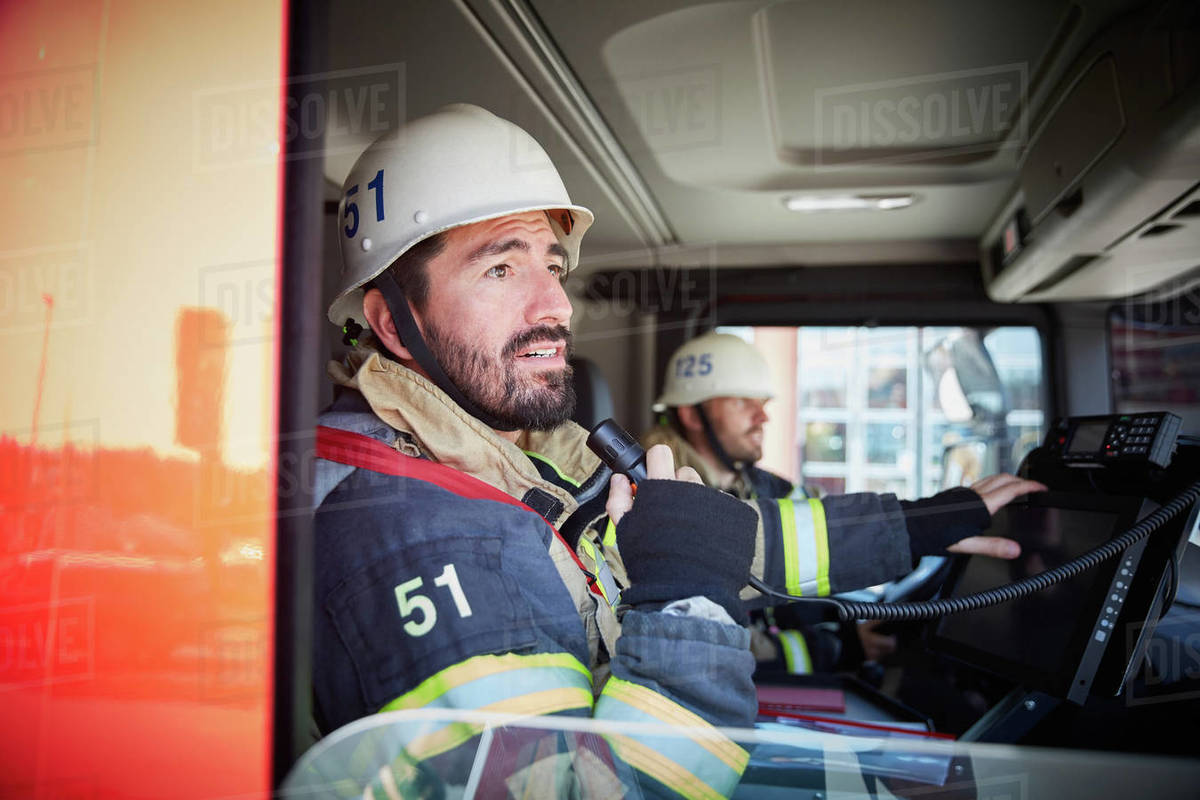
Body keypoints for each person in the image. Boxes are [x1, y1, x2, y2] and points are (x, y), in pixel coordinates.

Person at [305, 104, 1042, 797]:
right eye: (501, 268)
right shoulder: (410, 525)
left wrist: (918, 525)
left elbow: (730, 539)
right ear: (394, 325)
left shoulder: (533, 458)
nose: (557, 305)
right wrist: (686, 601)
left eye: (553, 266)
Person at [640, 331, 1046, 674]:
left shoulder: (761, 486)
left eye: (763, 403)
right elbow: (704, 629)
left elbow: (819, 529)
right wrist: (836, 648)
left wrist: (918, 526)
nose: (763, 417)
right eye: (743, 402)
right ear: (692, 415)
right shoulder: (654, 499)